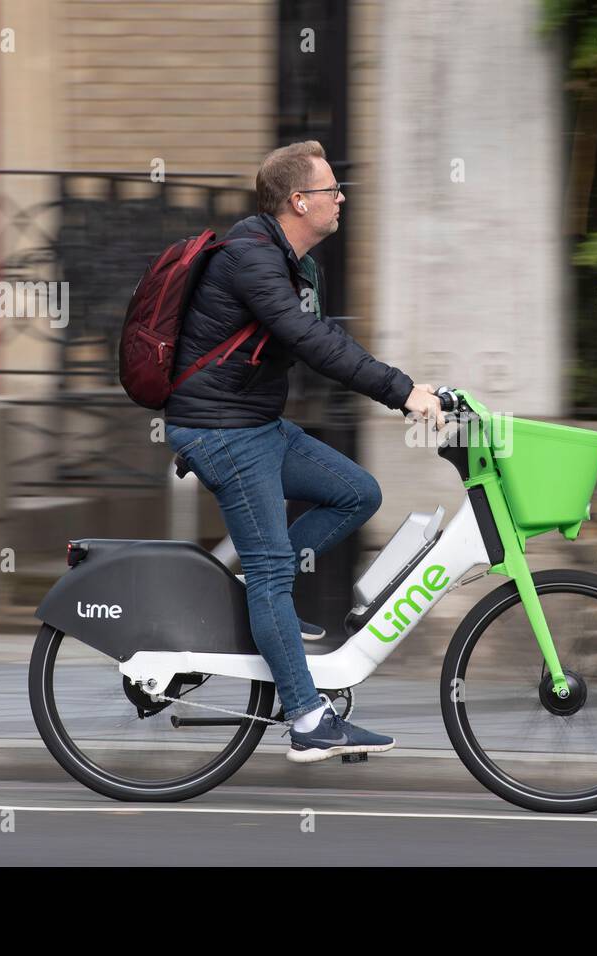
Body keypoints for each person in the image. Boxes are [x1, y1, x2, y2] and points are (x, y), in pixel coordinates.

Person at [164, 140, 444, 762]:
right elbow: (311, 340)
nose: (342, 198)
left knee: (357, 493)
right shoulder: (252, 258)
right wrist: (402, 391)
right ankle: (308, 720)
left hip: (254, 423)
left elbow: (316, 336)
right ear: (298, 200)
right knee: (267, 570)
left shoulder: (284, 260)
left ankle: (271, 609)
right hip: (222, 431)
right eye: (332, 189)